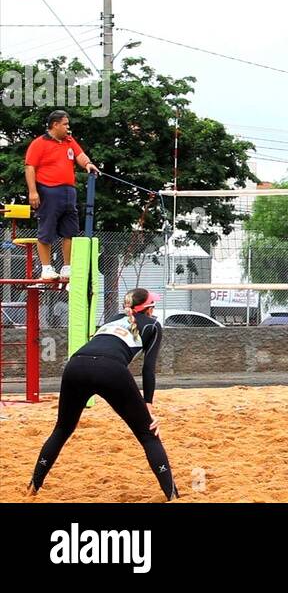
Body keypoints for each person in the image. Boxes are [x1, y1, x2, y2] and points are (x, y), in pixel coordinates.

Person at [26, 288, 179, 500]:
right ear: (149, 309)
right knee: (148, 434)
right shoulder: (152, 325)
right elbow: (148, 369)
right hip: (110, 369)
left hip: (76, 364)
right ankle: (172, 494)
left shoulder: (113, 320)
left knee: (62, 429)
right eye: (153, 307)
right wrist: (149, 406)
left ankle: (33, 485)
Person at [24, 110, 101, 281]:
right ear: (55, 125)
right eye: (65, 124)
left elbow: (80, 155)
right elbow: (30, 167)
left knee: (70, 231)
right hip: (48, 190)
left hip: (69, 191)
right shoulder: (39, 143)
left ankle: (67, 267)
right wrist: (33, 191)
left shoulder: (69, 141)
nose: (68, 127)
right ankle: (46, 268)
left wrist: (88, 164)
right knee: (47, 229)